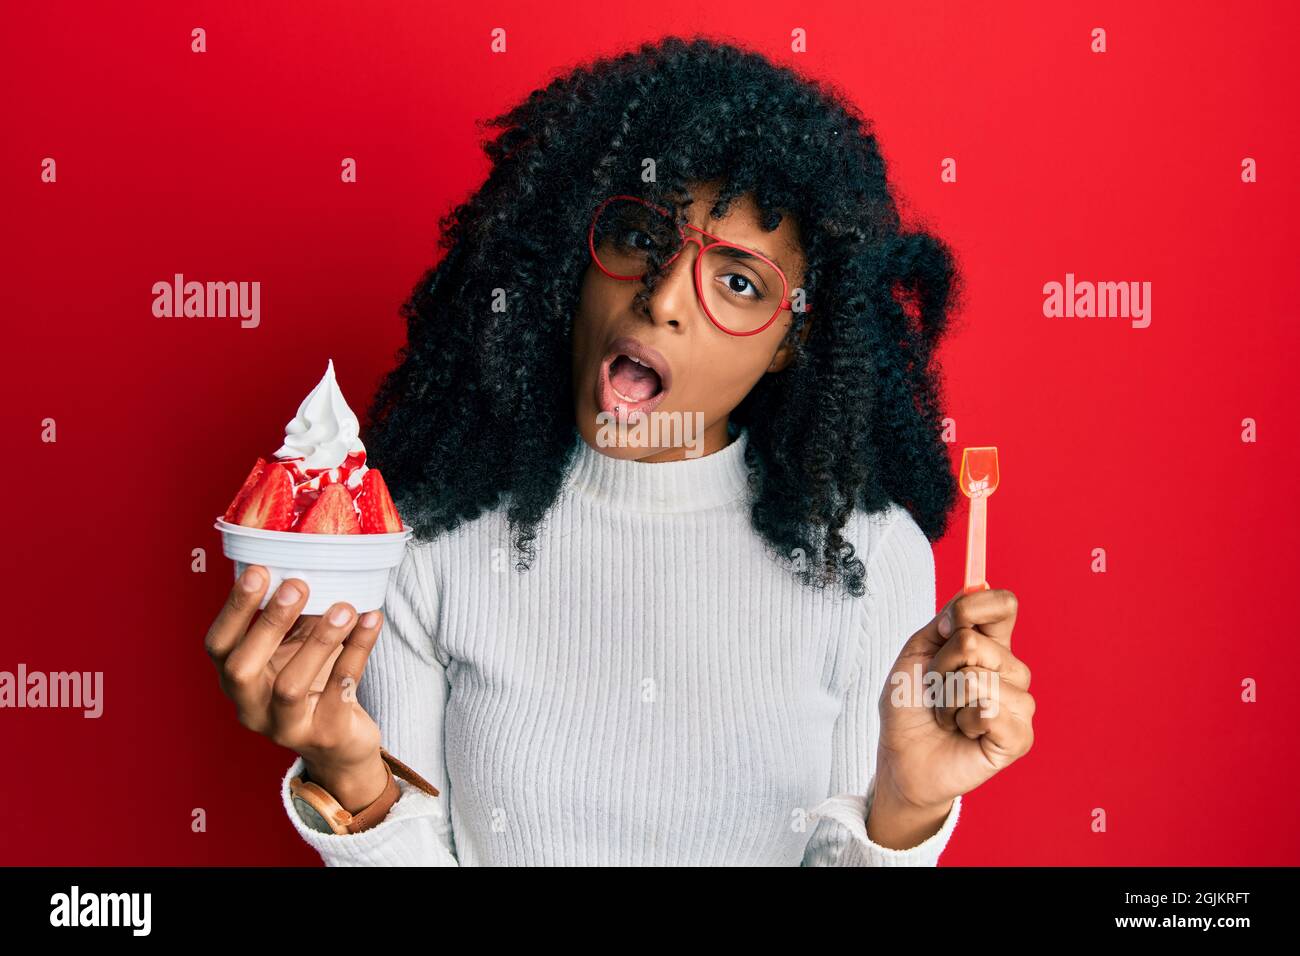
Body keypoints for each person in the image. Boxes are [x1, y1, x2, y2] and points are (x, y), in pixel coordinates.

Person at [204, 35, 1033, 865]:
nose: (665, 298)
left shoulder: (868, 556)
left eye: (739, 281)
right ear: (573, 254)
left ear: (793, 342)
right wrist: (348, 773)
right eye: (642, 237)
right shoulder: (428, 536)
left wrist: (905, 809)